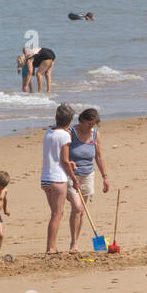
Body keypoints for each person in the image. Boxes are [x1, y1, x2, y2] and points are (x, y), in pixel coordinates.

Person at [66, 107, 111, 251]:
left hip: (88, 175)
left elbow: (98, 157)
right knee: (77, 207)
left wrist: (105, 177)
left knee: (81, 210)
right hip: (71, 175)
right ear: (81, 120)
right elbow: (63, 156)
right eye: (88, 124)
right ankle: (73, 243)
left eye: (93, 124)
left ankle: (75, 243)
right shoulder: (71, 133)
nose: (90, 127)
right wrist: (72, 175)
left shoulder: (95, 134)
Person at [40, 104, 82, 256]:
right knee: (57, 214)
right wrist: (74, 179)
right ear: (70, 120)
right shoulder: (65, 135)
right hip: (57, 179)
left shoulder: (48, 132)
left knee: (55, 214)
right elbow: (64, 160)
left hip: (45, 178)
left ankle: (51, 246)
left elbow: (55, 156)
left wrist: (67, 163)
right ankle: (51, 248)